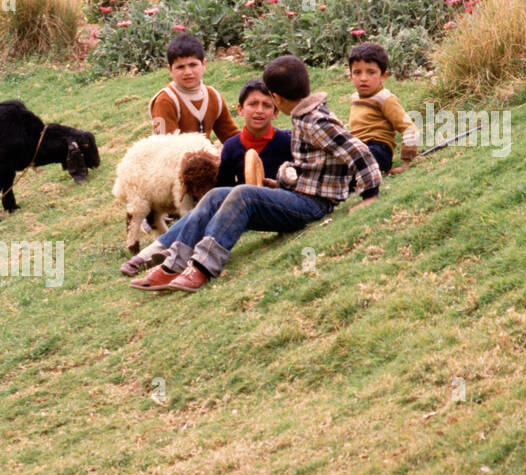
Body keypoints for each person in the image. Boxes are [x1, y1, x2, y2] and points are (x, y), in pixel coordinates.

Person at [129, 54, 381, 293]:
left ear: (276, 100)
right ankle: (173, 263)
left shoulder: (316, 121)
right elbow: (312, 166)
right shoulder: (305, 117)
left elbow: (359, 151)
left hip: (314, 204)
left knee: (243, 195)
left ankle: (202, 266)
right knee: (217, 195)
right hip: (298, 195)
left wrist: (370, 195)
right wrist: (281, 181)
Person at [121, 77, 291, 276]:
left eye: (267, 105)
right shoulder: (232, 147)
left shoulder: (286, 142)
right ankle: (149, 254)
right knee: (208, 204)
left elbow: (297, 176)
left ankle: (185, 256)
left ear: (276, 111)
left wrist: (280, 184)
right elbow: (222, 187)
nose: (259, 110)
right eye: (253, 104)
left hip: (272, 205)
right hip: (240, 211)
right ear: (240, 109)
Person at [149, 34, 239, 141]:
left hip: (207, 156)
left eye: (193, 65)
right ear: (170, 70)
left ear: (203, 64)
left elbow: (231, 136)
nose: (188, 72)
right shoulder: (164, 101)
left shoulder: (213, 96)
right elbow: (164, 146)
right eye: (180, 67)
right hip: (176, 156)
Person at [347, 42, 418, 175]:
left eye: (371, 72)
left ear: (383, 76)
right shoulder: (355, 98)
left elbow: (409, 128)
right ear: (351, 76)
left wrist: (406, 162)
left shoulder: (385, 99)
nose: (363, 78)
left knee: (355, 165)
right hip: (357, 147)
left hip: (378, 150)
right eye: (357, 72)